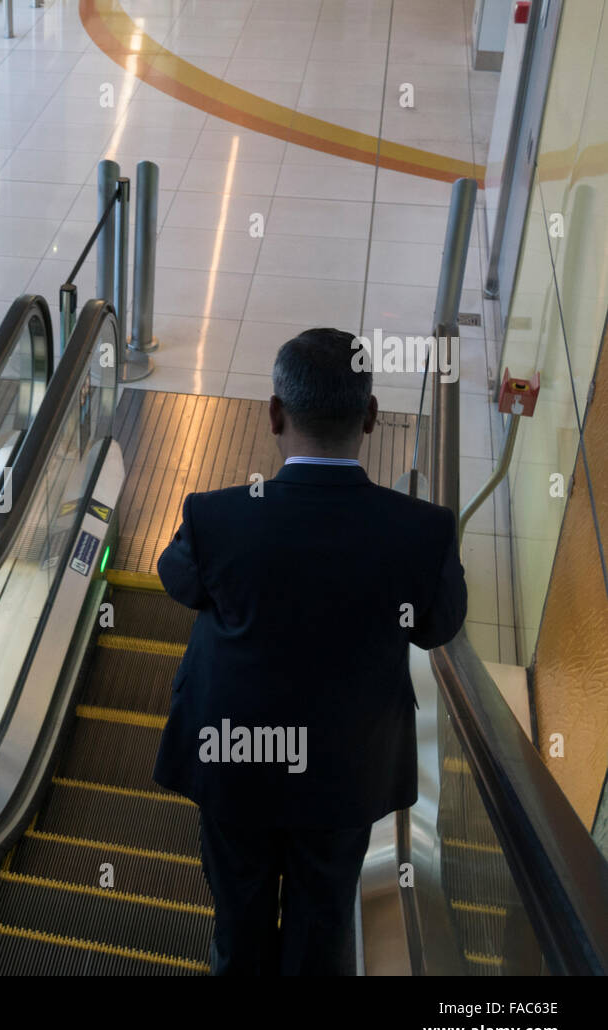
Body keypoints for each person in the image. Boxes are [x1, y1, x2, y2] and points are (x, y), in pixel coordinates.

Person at [153, 327, 467, 976]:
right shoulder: (421, 532)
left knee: (237, 921)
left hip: (232, 759)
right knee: (323, 922)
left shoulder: (218, 518)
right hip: (346, 770)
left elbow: (178, 582)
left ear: (273, 412)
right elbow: (438, 627)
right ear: (373, 417)